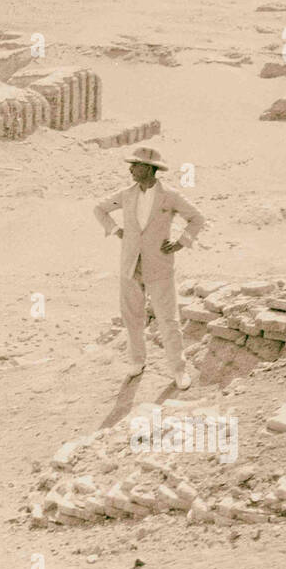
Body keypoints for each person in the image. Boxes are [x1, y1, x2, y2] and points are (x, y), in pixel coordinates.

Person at [93, 147, 206, 390]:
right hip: (130, 265)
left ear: (149, 169)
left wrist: (181, 242)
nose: (130, 169)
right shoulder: (126, 195)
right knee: (132, 316)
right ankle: (137, 361)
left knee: (168, 319)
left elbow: (197, 218)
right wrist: (116, 230)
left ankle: (178, 369)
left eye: (136, 165)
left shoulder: (170, 196)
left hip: (160, 266)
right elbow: (99, 209)